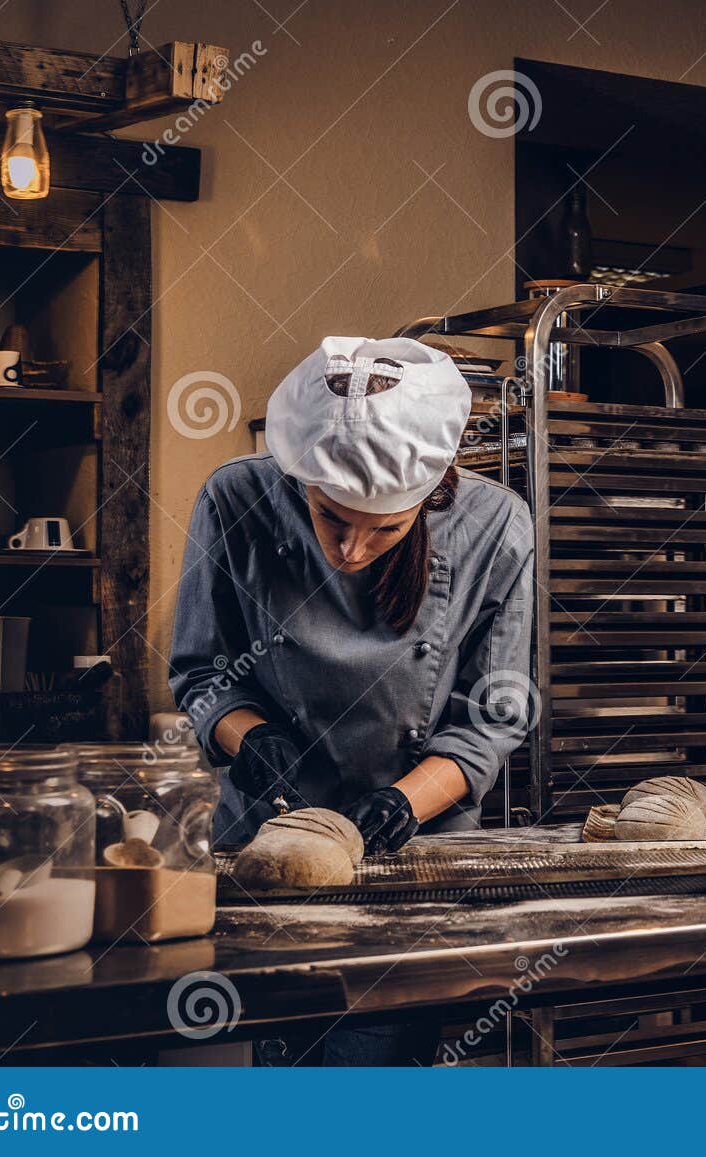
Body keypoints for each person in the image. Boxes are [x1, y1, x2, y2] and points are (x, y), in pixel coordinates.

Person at [170, 336, 534, 1064]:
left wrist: (399, 805)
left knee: (375, 1062)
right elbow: (203, 670)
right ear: (297, 475)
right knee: (284, 1054)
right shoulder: (234, 500)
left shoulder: (495, 525)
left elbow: (489, 717)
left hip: (417, 856)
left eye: (386, 529)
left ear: (430, 496)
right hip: (269, 843)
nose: (352, 550)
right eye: (331, 518)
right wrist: (253, 739)